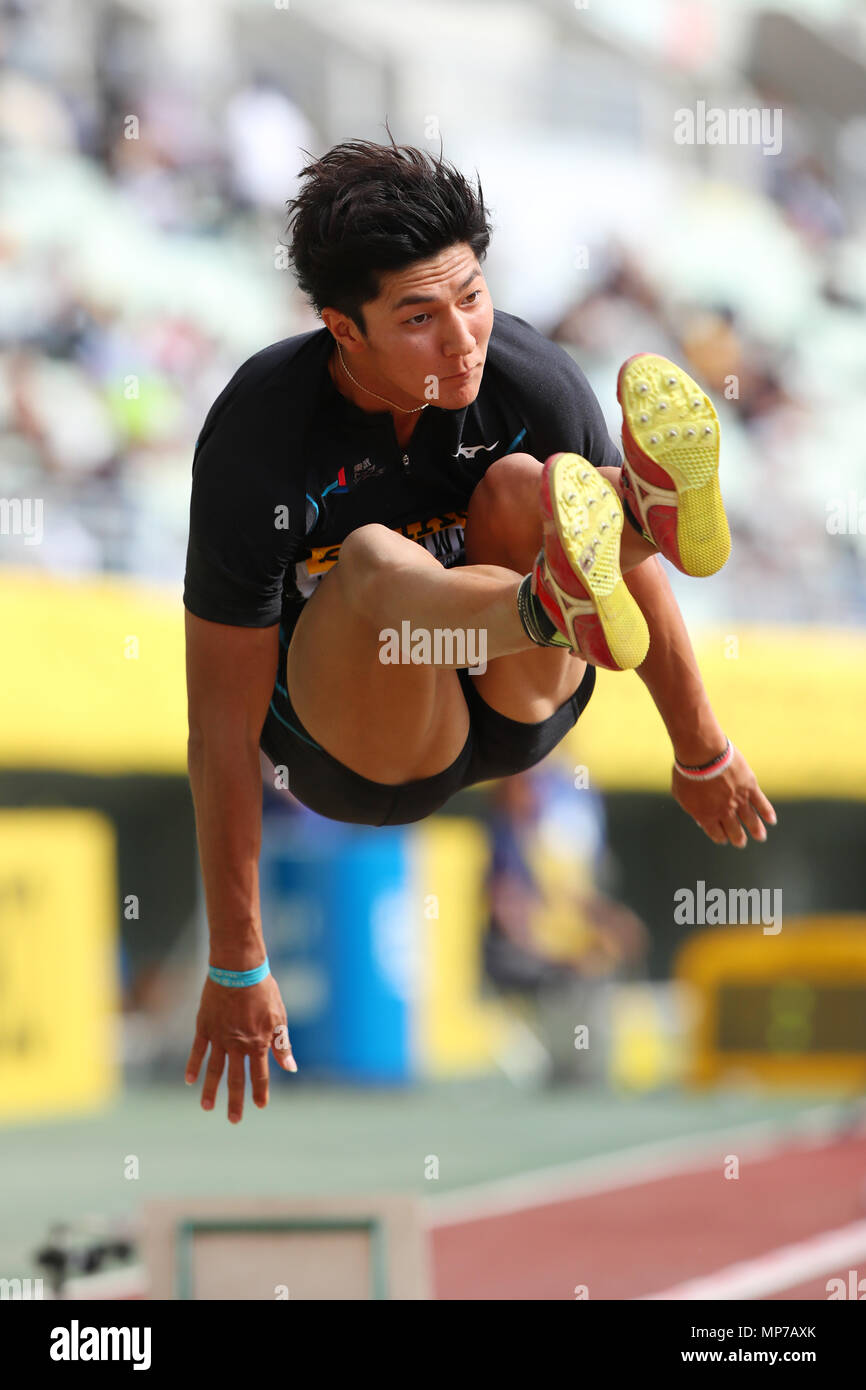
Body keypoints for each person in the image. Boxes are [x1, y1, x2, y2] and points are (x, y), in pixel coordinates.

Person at [183, 133, 776, 1124]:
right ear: (342, 326)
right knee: (373, 558)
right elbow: (219, 721)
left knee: (522, 485)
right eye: (417, 318)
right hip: (365, 748)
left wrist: (701, 747)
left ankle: (641, 524)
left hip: (524, 695)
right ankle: (563, 580)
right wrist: (238, 958)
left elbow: (631, 587)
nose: (461, 341)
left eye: (470, 297)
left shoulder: (526, 378)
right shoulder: (261, 434)